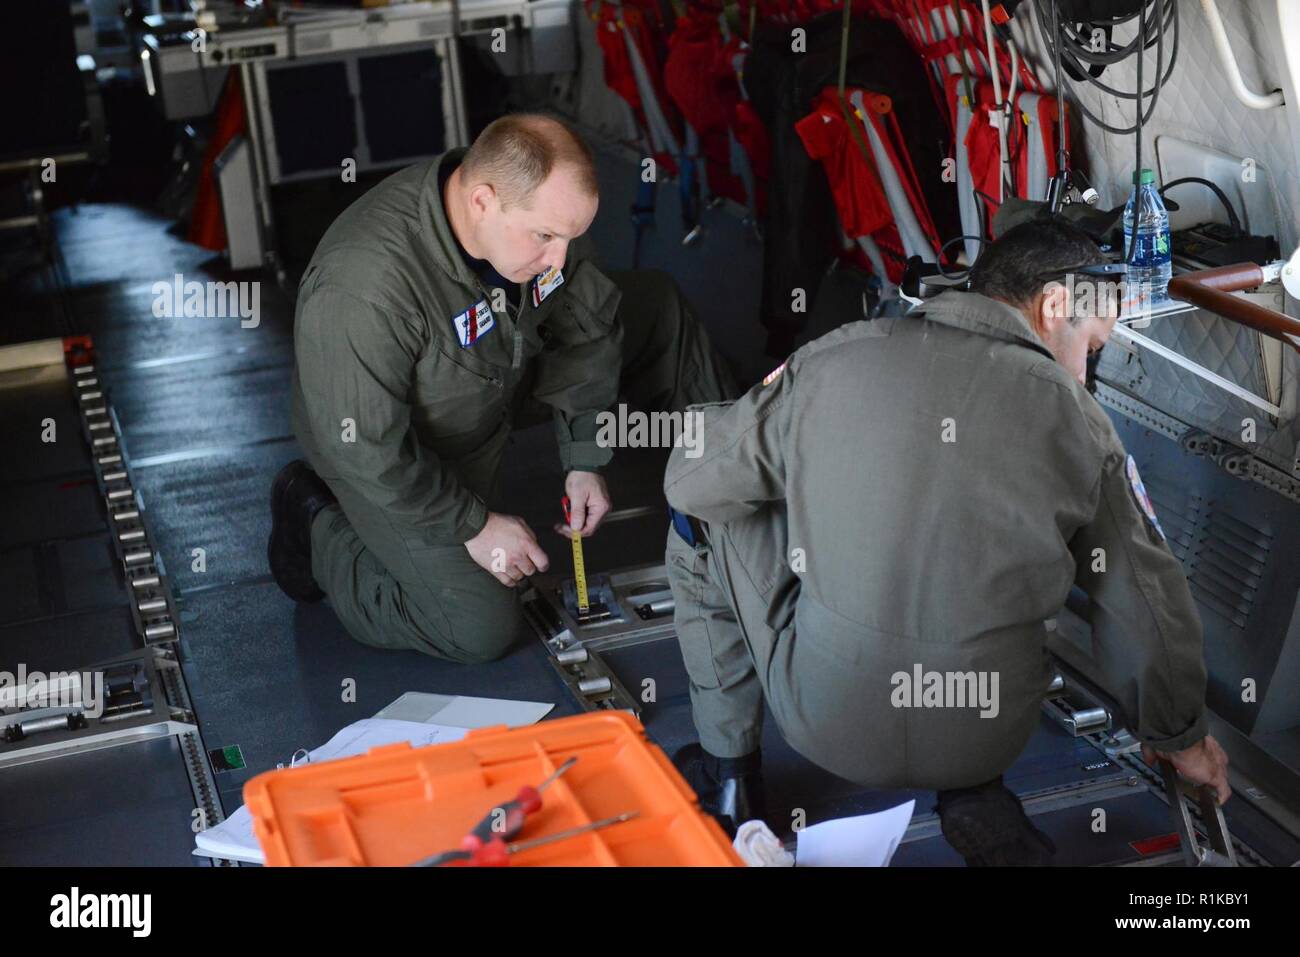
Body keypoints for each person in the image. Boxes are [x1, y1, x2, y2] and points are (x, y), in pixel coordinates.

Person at [664, 220, 1230, 864]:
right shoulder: (1081, 421)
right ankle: (972, 795)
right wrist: (1182, 738)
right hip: (986, 734)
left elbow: (689, 484)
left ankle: (730, 775)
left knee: (704, 519)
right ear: (1054, 307)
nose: (1084, 371)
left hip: (828, 723)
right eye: (1091, 348)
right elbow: (1145, 603)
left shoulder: (836, 356)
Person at [268, 113, 736, 663]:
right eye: (545, 237)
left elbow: (584, 325)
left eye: (571, 237)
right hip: (400, 448)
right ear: (482, 202)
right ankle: (314, 518)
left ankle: (735, 508)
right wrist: (474, 524)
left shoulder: (539, 218)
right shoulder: (363, 287)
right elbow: (370, 450)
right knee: (476, 627)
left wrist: (584, 454)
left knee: (655, 307)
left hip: (502, 371)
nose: (559, 258)